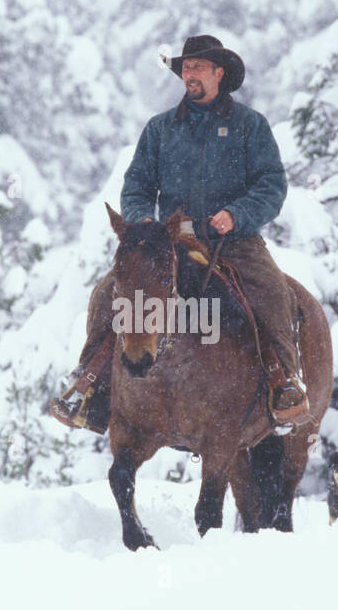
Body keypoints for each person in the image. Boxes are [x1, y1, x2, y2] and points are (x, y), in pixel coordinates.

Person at [50, 34, 309, 432]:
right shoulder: (159, 130)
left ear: (219, 73)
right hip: (171, 241)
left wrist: (236, 214)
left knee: (273, 292)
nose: (189, 74)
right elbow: (136, 186)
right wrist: (144, 224)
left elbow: (271, 185)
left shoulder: (250, 126)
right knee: (109, 293)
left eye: (197, 67)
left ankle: (284, 382)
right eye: (185, 68)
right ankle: (88, 386)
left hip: (234, 241)